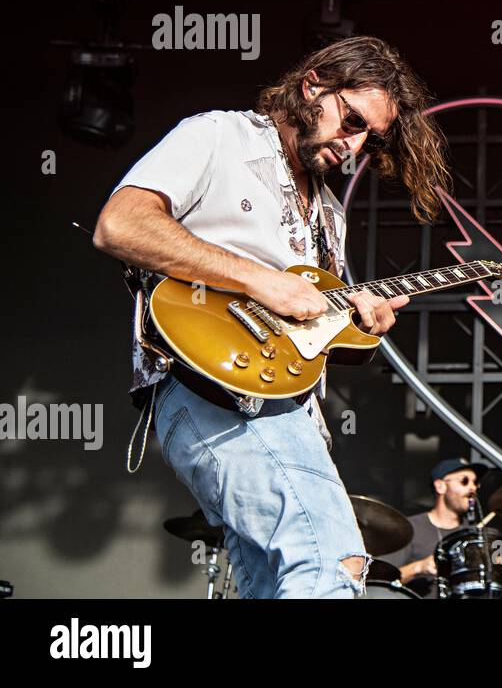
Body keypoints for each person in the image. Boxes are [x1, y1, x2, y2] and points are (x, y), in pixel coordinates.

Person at [93, 36, 450, 598]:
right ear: (314, 85)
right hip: (213, 394)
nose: (353, 145)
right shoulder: (218, 136)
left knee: (270, 583)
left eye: (367, 136)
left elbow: (304, 323)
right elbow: (120, 225)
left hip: (286, 407)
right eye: (350, 119)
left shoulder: (330, 214)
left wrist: (359, 321)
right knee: (332, 561)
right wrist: (260, 279)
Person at [386, 458, 485, 597]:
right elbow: (383, 580)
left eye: (476, 483)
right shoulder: (409, 528)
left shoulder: (474, 535)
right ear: (440, 486)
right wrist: (418, 567)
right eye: (464, 481)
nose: (472, 488)